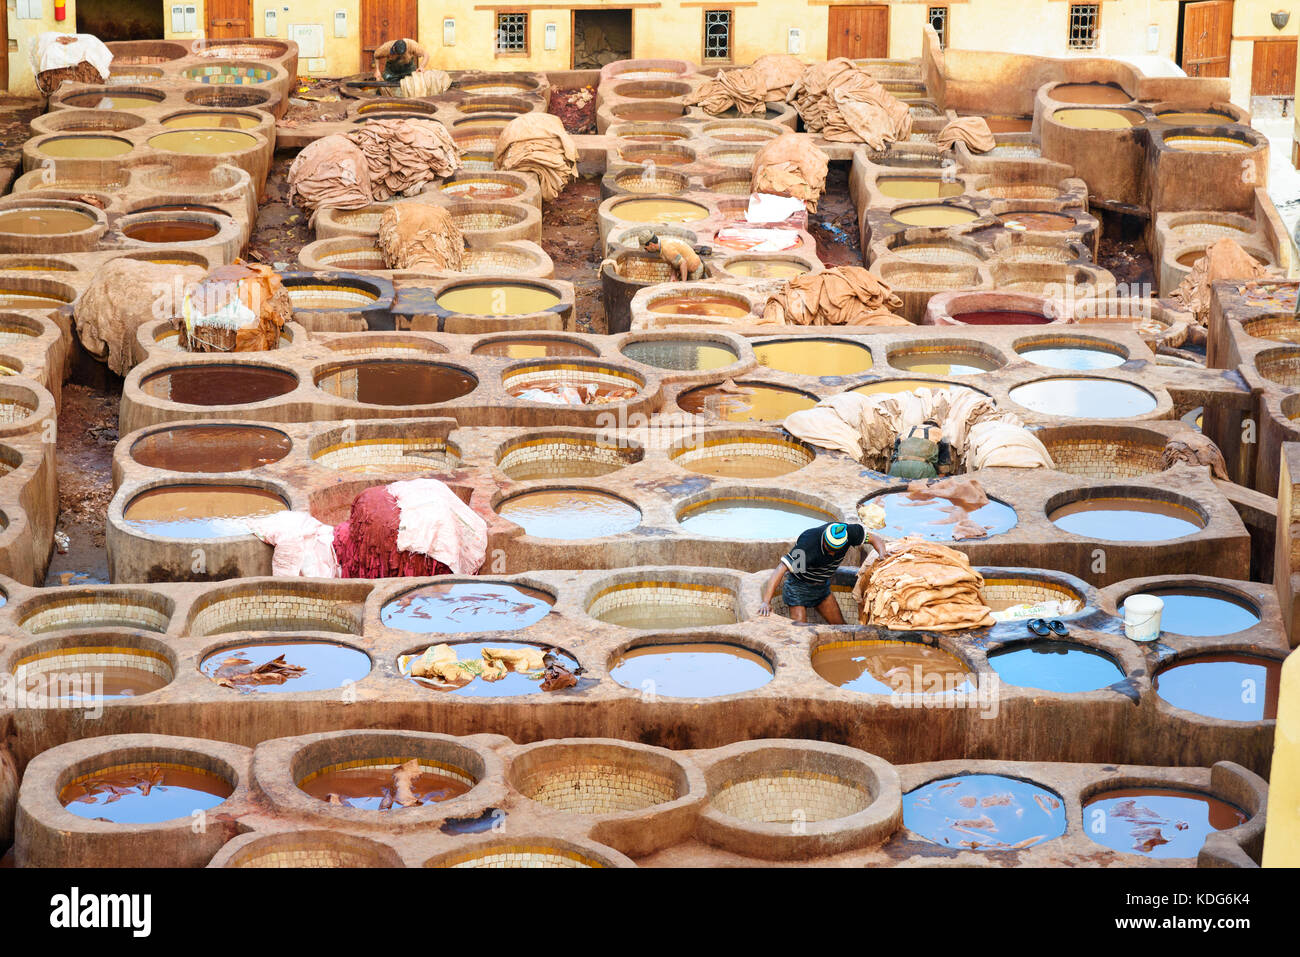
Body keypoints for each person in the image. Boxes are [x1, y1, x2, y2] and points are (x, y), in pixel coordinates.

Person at [758, 522, 881, 623]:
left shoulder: (850, 533)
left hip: (821, 587)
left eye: (836, 550)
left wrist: (882, 554)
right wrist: (766, 602)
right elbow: (781, 568)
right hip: (798, 587)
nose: (832, 554)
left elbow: (874, 538)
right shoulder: (808, 544)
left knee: (840, 627)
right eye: (829, 549)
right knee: (800, 633)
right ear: (824, 541)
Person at [888, 418, 953, 479]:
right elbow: (944, 463)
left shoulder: (906, 430)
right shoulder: (940, 433)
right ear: (938, 426)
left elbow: (895, 454)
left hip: (897, 467)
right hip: (922, 470)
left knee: (894, 490)